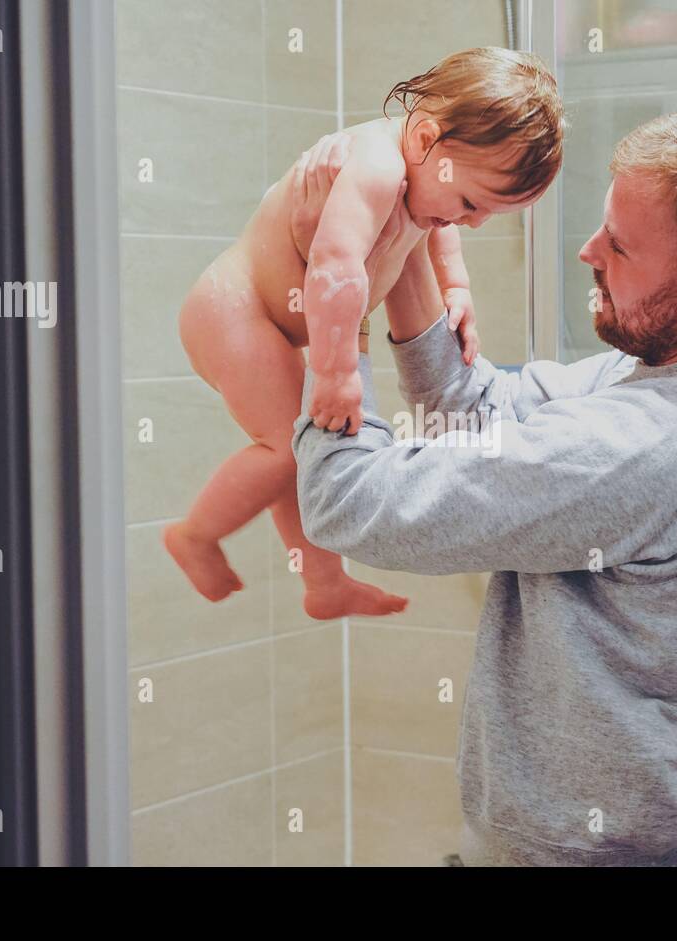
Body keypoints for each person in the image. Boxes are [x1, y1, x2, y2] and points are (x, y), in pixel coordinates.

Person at [289, 106, 677, 865]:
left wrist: (329, 340)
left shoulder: (646, 445)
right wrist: (402, 224)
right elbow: (468, 409)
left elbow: (344, 501)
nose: (587, 252)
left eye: (619, 246)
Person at [162, 48, 565, 620]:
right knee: (284, 449)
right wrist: (335, 372)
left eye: (487, 214)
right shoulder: (377, 167)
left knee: (302, 453)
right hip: (235, 310)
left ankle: (324, 583)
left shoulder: (427, 178)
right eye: (472, 203)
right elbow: (334, 266)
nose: (472, 221)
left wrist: (458, 289)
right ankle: (196, 535)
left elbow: (436, 230)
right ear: (425, 137)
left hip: (275, 323)